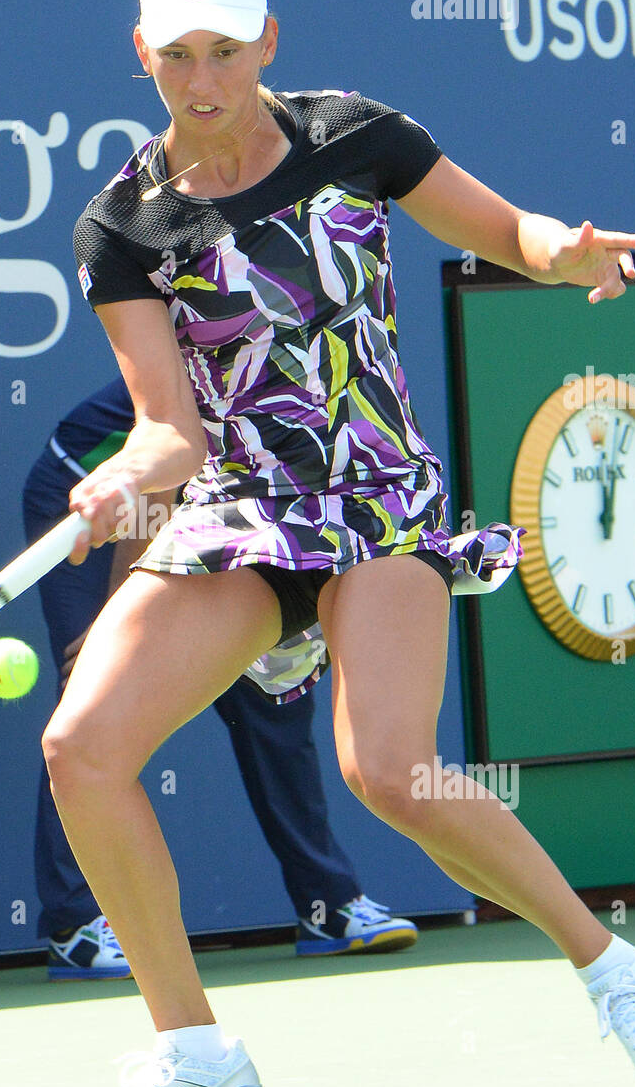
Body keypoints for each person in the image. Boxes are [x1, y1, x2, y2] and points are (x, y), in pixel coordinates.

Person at [45, 0, 635, 1087]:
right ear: (140, 53)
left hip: (372, 500)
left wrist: (559, 253)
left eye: (226, 51)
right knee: (81, 745)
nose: (204, 81)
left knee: (386, 770)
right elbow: (165, 430)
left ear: (267, 43)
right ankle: (194, 1059)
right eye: (178, 53)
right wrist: (120, 482)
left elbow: (503, 231)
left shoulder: (352, 135)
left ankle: (616, 972)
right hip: (239, 512)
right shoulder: (121, 226)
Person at [23, 376, 421, 980]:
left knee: (272, 691)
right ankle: (75, 923)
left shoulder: (328, 373)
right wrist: (116, 623)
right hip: (91, 497)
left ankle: (328, 905)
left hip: (210, 503)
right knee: (96, 700)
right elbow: (155, 486)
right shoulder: (220, 350)